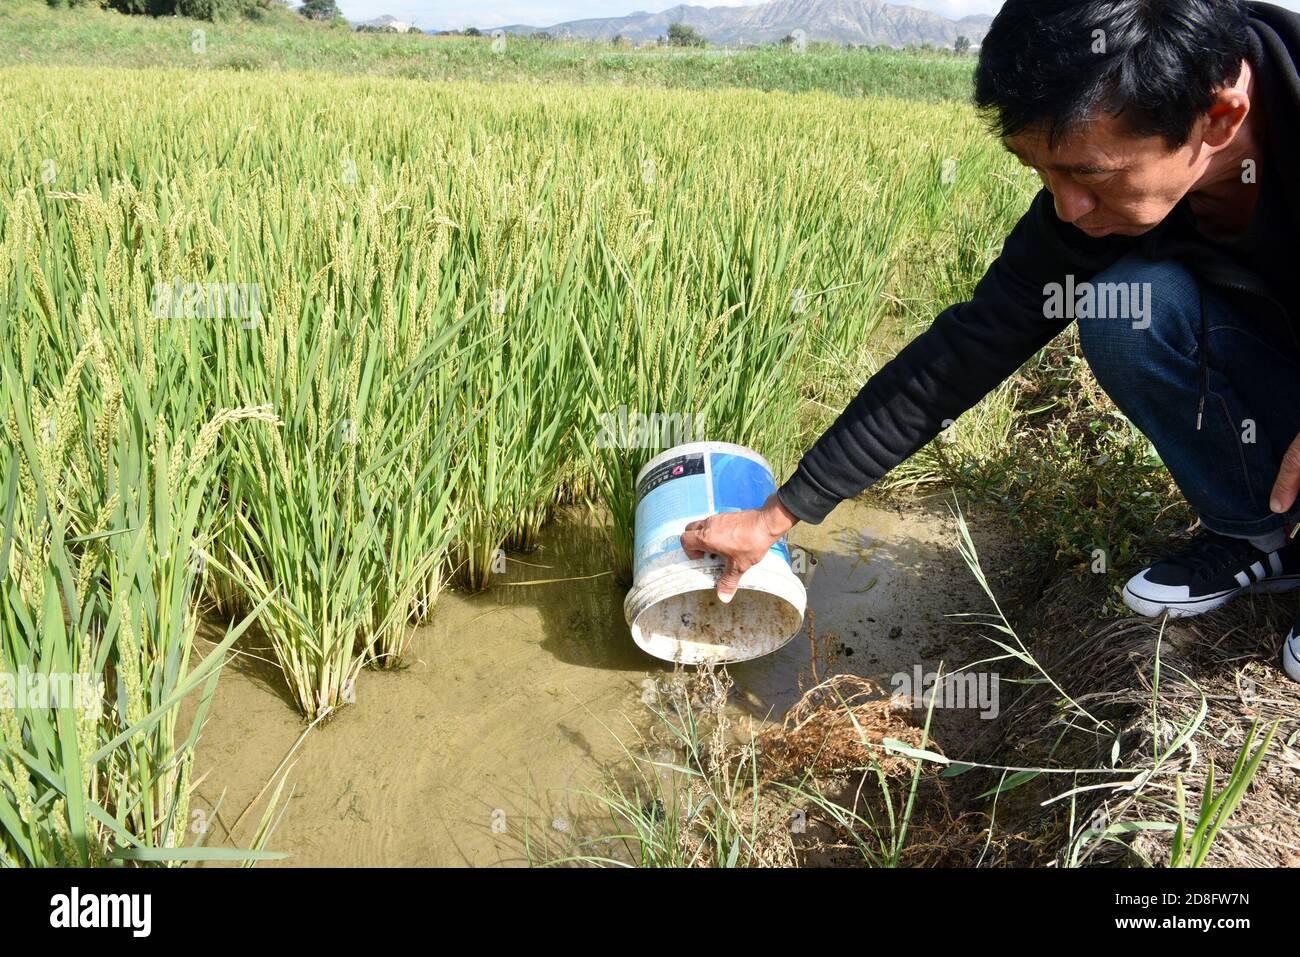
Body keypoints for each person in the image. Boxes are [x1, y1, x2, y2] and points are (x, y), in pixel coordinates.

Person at [680, 0, 1300, 680]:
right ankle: (1251, 534)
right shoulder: (1082, 217)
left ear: (1218, 118)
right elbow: (959, 358)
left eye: (1089, 174)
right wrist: (776, 516)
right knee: (1132, 311)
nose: (1067, 208)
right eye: (1040, 170)